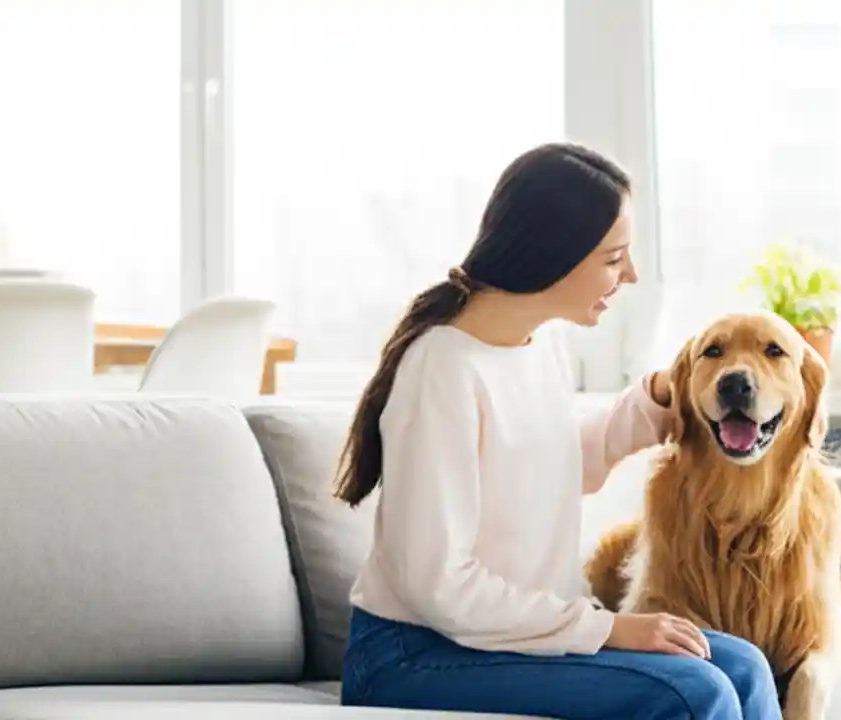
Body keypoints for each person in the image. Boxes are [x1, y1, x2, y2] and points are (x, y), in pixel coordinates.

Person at [333, 142, 781, 720]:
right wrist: (604, 627)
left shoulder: (539, 344)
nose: (631, 274)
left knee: (742, 665)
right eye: (615, 258)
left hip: (499, 637)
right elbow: (438, 585)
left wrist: (651, 404)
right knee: (697, 693)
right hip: (412, 653)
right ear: (556, 255)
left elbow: (552, 467)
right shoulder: (442, 368)